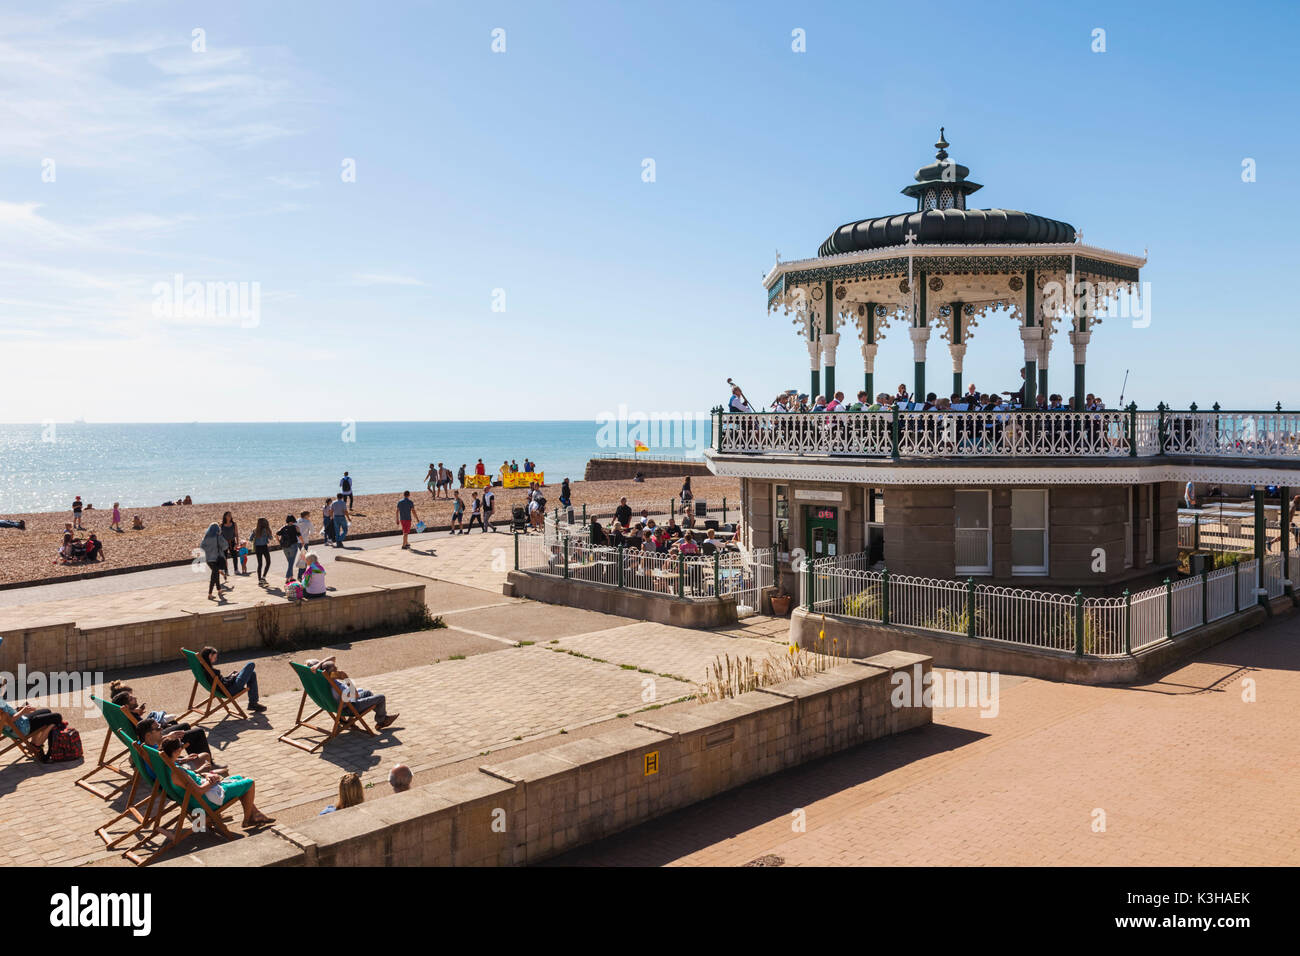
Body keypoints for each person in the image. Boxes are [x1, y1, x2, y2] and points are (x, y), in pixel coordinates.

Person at [161, 737, 274, 828]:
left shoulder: (168, 765)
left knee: (240, 777)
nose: (183, 746)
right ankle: (248, 819)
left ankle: (254, 815)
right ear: (176, 751)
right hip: (204, 802)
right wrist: (212, 781)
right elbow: (199, 790)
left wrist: (205, 774)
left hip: (194, 798)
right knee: (249, 782)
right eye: (181, 746)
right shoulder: (177, 773)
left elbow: (190, 780)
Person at [307, 657, 398, 730]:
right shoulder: (337, 687)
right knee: (381, 697)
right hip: (350, 708)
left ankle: (357, 721)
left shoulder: (322, 680)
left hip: (338, 705)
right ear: (332, 672)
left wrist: (319, 664)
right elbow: (356, 695)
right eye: (335, 668)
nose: (338, 669)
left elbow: (332, 658)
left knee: (368, 693)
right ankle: (382, 721)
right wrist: (346, 678)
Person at [199, 646, 266, 713]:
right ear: (210, 656)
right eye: (215, 657)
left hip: (227, 688)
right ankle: (253, 703)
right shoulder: (211, 671)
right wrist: (233, 677)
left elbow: (221, 682)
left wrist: (230, 676)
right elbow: (225, 684)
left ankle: (253, 704)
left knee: (252, 673)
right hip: (230, 690)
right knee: (251, 664)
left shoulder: (205, 669)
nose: (216, 659)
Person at [199, 523, 228, 600]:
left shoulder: (206, 537)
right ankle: (210, 594)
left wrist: (209, 550)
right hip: (216, 559)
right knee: (214, 576)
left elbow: (201, 547)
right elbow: (225, 546)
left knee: (216, 574)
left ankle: (219, 590)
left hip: (208, 560)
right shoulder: (218, 537)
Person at [277, 514, 302, 582]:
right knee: (291, 563)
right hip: (293, 546)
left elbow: (276, 534)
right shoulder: (295, 527)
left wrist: (279, 542)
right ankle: (287, 578)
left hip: (284, 547)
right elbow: (299, 535)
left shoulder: (283, 527)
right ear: (293, 520)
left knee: (290, 562)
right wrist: (303, 542)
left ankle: (291, 577)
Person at [249, 518, 273, 584]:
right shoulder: (266, 530)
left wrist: (256, 538)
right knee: (268, 562)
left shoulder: (255, 530)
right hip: (264, 547)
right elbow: (271, 538)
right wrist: (269, 532)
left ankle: (259, 580)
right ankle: (263, 577)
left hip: (257, 548)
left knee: (260, 564)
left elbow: (250, 539)